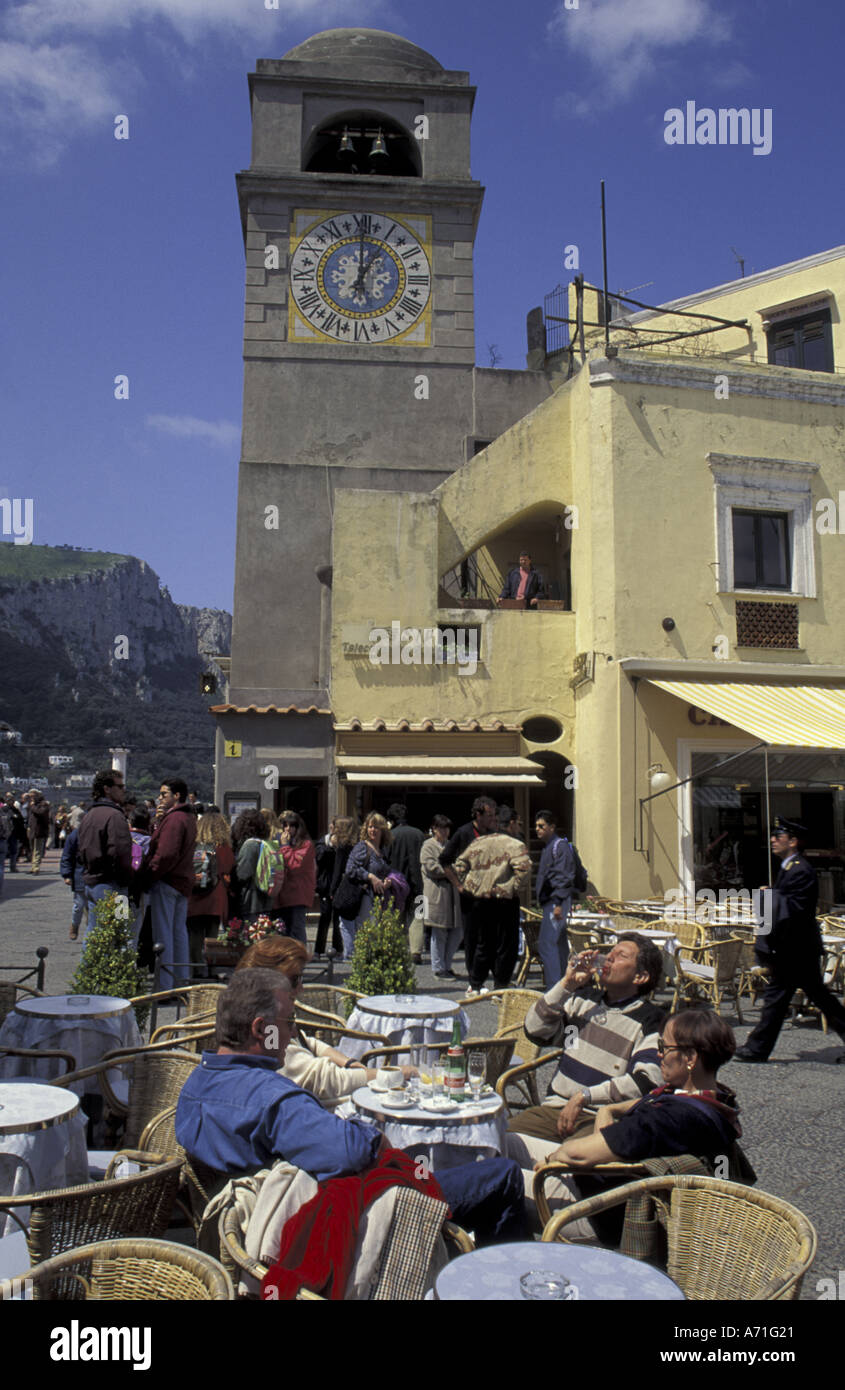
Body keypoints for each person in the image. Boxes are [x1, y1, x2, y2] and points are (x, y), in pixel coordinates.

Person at [175, 970, 528, 1250]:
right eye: (287, 1024)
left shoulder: (193, 1085)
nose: (293, 1032)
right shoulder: (273, 1099)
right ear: (260, 1029)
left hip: (249, 1229)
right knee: (504, 1175)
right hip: (343, 1220)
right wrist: (373, 1138)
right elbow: (354, 1151)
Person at [506, 934, 665, 1150]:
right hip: (554, 1109)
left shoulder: (649, 1021)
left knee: (565, 1162)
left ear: (640, 977)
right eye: (611, 952)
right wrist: (566, 985)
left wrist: (586, 1097)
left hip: (600, 1117)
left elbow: (647, 1082)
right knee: (495, 1140)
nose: (609, 958)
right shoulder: (584, 1001)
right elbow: (535, 1031)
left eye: (621, 956)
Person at [536, 1010, 742, 1171]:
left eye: (664, 1048)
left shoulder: (666, 1119)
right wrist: (609, 1110)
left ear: (690, 1058)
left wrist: (549, 1160)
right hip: (613, 1178)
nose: (659, 1055)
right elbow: (654, 1099)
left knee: (509, 1170)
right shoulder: (717, 1101)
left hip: (598, 1205)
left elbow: (575, 1154)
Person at [734, 817, 845, 1063]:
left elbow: (795, 908)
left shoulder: (800, 869)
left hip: (795, 948)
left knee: (780, 997)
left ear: (792, 841)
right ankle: (757, 1048)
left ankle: (757, 1049)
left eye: (778, 836)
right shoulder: (790, 867)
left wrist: (769, 895)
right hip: (796, 949)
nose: (773, 840)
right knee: (813, 997)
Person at [235, 935, 389, 1104]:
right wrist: (396, 1074)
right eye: (294, 980)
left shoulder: (269, 1015)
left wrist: (349, 1062)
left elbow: (306, 1041)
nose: (301, 988)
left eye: (301, 978)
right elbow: (328, 1080)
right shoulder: (268, 1029)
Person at [453, 822, 531, 994]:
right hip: (505, 899)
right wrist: (512, 887)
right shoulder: (515, 845)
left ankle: (476, 983)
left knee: (484, 942)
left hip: (482, 898)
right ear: (510, 825)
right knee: (506, 943)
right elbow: (524, 869)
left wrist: (473, 886)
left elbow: (459, 865)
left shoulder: (478, 842)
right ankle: (501, 983)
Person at [438, 795, 498, 979]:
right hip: (470, 894)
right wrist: (458, 885)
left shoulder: (491, 833)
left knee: (491, 933)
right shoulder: (463, 833)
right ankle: (474, 974)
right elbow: (444, 860)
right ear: (478, 814)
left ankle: (493, 970)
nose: (491, 819)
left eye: (493, 815)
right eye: (489, 815)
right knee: (472, 935)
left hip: (490, 893)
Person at [147, 777, 197, 990]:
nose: (160, 798)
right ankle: (180, 980)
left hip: (167, 881)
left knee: (164, 934)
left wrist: (150, 873)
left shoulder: (175, 820)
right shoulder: (188, 818)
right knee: (179, 933)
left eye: (163, 794)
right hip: (182, 882)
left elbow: (166, 854)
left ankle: (165, 985)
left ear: (176, 796)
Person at [77, 769, 132, 923]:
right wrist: (126, 878)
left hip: (92, 882)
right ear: (107, 789)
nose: (123, 790)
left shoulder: (89, 815)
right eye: (120, 787)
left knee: (95, 932)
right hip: (114, 885)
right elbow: (120, 852)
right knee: (120, 929)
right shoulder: (115, 816)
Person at [336, 813, 391, 961]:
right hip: (362, 895)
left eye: (376, 827)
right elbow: (350, 868)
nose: (372, 830)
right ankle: (355, 958)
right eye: (370, 826)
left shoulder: (383, 850)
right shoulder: (362, 847)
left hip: (376, 897)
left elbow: (384, 870)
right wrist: (370, 877)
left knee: (371, 930)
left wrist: (386, 881)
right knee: (363, 929)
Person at [187, 812, 235, 970]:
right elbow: (229, 868)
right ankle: (210, 968)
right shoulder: (224, 847)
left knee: (194, 936)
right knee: (211, 938)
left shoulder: (194, 846)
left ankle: (195, 968)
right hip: (216, 897)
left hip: (195, 897)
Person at [534, 810, 577, 988]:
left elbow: (564, 877)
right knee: (559, 944)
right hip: (553, 902)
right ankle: (563, 983)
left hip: (555, 902)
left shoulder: (559, 846)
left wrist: (558, 904)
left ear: (552, 827)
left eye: (541, 826)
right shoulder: (551, 846)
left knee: (546, 943)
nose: (537, 829)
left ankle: (554, 987)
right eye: (536, 826)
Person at [420, 815, 462, 979]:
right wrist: (451, 871)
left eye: (447, 828)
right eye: (441, 828)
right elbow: (432, 867)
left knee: (458, 931)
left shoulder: (451, 845)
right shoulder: (427, 846)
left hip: (452, 894)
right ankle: (438, 967)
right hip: (437, 893)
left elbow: (460, 863)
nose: (444, 831)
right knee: (439, 932)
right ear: (434, 829)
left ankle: (447, 964)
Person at [386, 803, 425, 963]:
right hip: (419, 883)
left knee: (397, 917)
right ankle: (416, 952)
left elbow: (385, 859)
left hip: (397, 884)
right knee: (418, 917)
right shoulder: (418, 834)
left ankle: (399, 950)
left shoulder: (390, 835)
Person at [275, 812, 316, 946]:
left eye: (292, 826)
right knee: (284, 930)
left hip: (298, 893)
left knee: (296, 929)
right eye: (285, 825)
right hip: (283, 893)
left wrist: (285, 846)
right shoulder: (281, 842)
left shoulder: (306, 844)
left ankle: (300, 958)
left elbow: (295, 865)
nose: (288, 829)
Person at [231, 809, 273, 921]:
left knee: (251, 935)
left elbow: (243, 874)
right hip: (267, 900)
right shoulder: (267, 843)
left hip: (252, 901)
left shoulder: (250, 845)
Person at [60, 824, 88, 941]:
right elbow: (67, 855)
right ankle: (74, 924)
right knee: (79, 905)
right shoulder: (75, 835)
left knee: (92, 907)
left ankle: (90, 931)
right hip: (80, 875)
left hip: (94, 875)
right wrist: (66, 875)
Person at [27, 792, 51, 874]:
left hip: (39, 830)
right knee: (32, 849)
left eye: (33, 797)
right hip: (33, 830)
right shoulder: (34, 805)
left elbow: (40, 812)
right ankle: (33, 866)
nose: (31, 799)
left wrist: (32, 806)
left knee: (37, 850)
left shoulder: (43, 805)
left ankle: (36, 867)